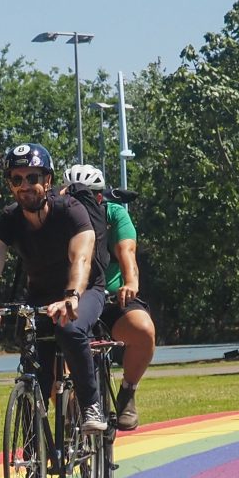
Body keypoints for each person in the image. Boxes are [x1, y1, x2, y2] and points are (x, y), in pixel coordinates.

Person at [0, 143, 107, 432]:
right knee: (35, 371)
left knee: (69, 330)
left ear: (47, 180)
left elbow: (81, 259)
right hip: (40, 297)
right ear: (10, 184)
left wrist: (71, 296)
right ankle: (33, 453)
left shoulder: (70, 210)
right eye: (17, 179)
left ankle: (90, 405)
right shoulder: (8, 220)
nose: (25, 185)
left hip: (85, 291)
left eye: (32, 177)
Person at [60, 164, 153, 430]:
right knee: (57, 356)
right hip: (72, 299)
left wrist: (130, 283)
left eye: (86, 197)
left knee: (143, 329)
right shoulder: (57, 218)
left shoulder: (115, 214)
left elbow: (127, 253)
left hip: (111, 297)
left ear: (100, 197)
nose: (78, 204)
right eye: (72, 196)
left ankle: (128, 392)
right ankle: (71, 409)